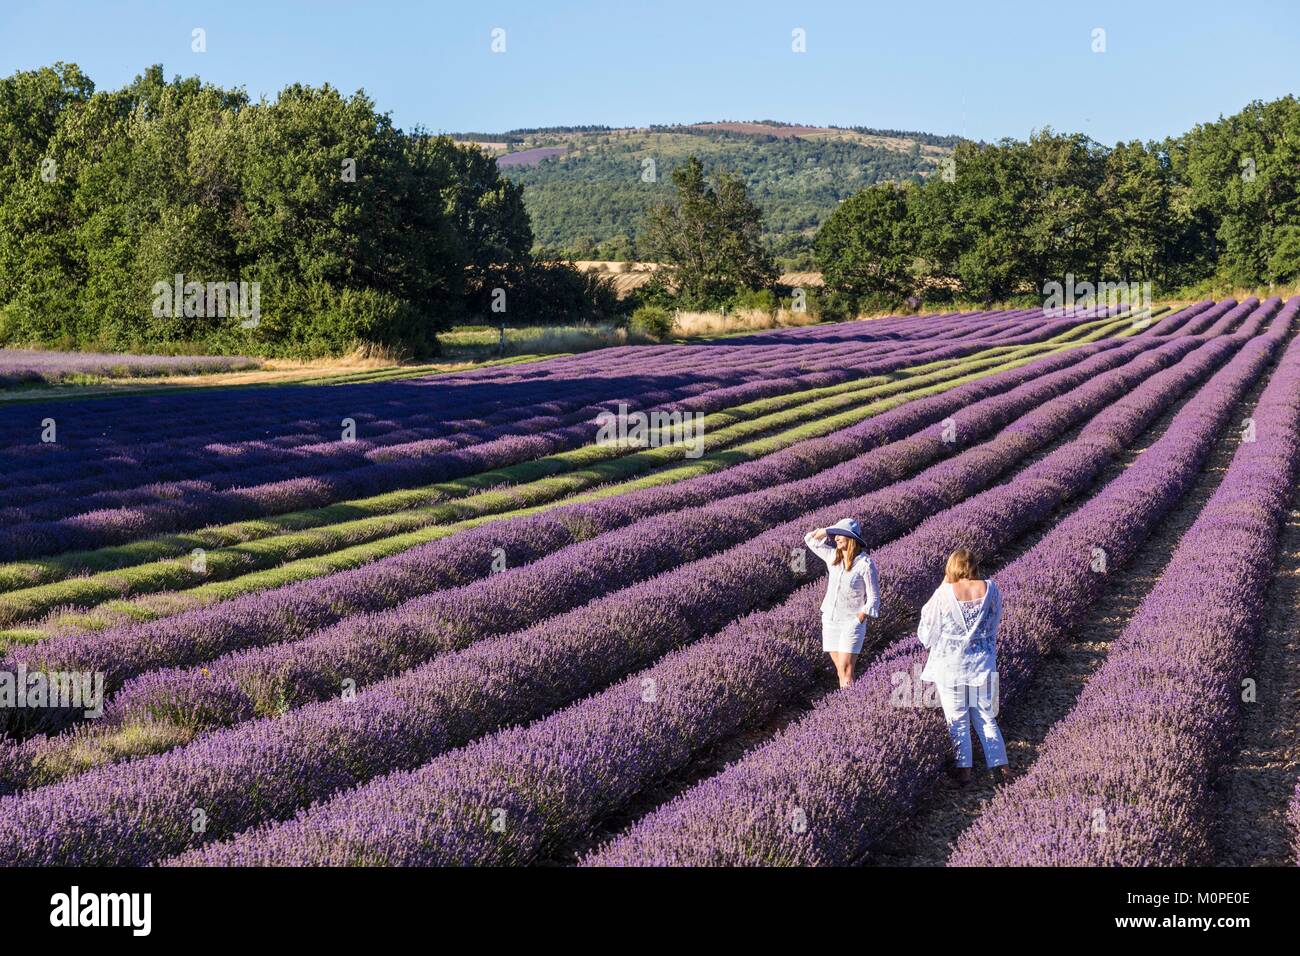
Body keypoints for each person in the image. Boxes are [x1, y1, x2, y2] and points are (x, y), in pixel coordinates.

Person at [917, 548, 1010, 787]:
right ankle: (1001, 768)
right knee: (986, 715)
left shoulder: (945, 592)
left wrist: (943, 585)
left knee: (956, 719)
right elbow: (995, 621)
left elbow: (926, 626)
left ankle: (964, 773)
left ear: (952, 567)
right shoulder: (992, 588)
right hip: (982, 663)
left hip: (951, 666)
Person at [804, 518, 880, 688]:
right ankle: (851, 702)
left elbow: (874, 598)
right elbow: (809, 539)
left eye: (841, 535)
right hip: (830, 620)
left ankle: (852, 705)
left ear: (851, 539)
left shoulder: (865, 564)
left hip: (851, 623)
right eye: (836, 535)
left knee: (846, 669)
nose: (836, 538)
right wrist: (828, 530)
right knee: (840, 670)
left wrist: (859, 619)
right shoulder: (833, 557)